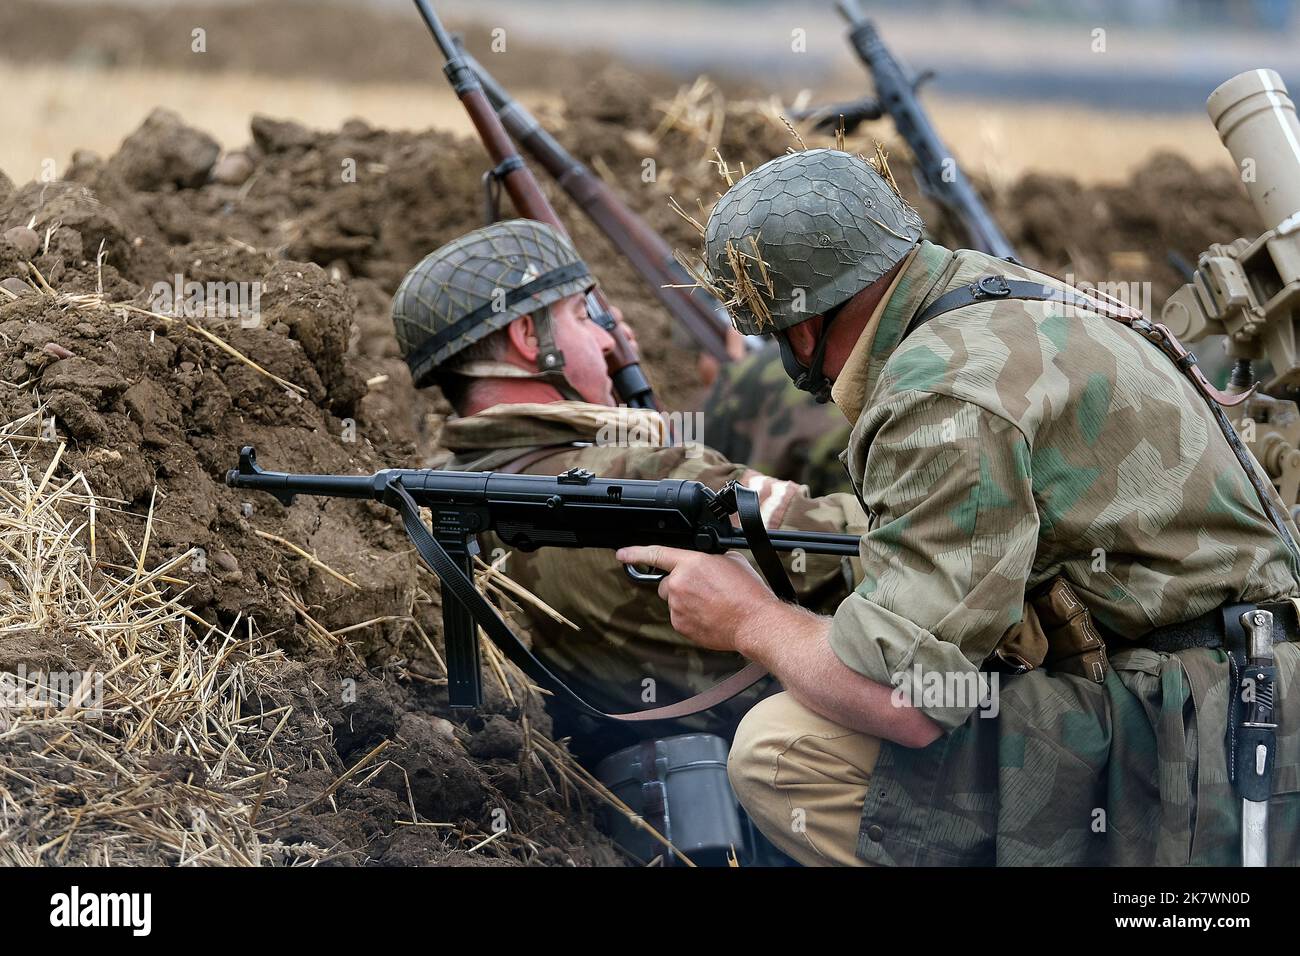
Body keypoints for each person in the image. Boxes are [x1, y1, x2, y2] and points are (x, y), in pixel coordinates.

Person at [617, 148, 1300, 866]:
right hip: (1239, 690)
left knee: (783, 750)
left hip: (1202, 746)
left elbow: (906, 702)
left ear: (804, 329)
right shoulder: (991, 297)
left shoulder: (940, 388)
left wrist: (750, 620)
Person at [390, 218, 866, 758]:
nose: (608, 339)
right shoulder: (652, 477)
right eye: (581, 317)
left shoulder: (436, 500)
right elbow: (877, 552)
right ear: (529, 340)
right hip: (788, 764)